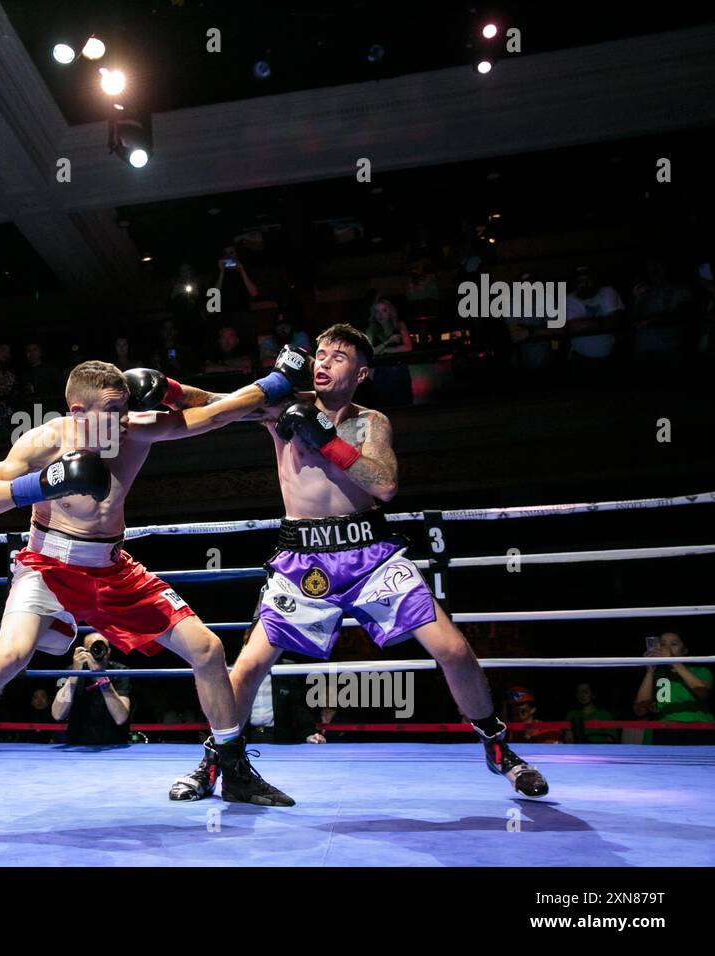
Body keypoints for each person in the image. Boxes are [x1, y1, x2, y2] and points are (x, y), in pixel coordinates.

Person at [0, 354, 313, 820]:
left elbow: (217, 412)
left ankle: (231, 767)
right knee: (11, 654)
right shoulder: (45, 442)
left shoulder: (136, 430)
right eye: (109, 412)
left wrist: (275, 383)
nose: (120, 420)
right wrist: (43, 483)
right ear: (76, 411)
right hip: (47, 565)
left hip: (112, 569)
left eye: (122, 409)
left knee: (208, 649)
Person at [165, 323, 550, 800]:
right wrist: (168, 389)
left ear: (361, 372)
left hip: (370, 554)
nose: (323, 362)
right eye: (320, 353)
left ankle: (498, 748)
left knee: (452, 649)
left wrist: (325, 439)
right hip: (303, 559)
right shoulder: (283, 405)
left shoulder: (371, 421)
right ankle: (213, 763)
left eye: (338, 357)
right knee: (247, 669)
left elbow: (384, 485)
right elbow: (215, 402)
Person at [633, 632, 713, 745]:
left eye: (673, 644)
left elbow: (703, 693)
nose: (666, 648)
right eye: (662, 644)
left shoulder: (700, 670)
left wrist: (674, 661)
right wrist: (650, 670)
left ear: (684, 651)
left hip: (698, 728)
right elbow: (640, 710)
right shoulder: (658, 675)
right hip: (666, 730)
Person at [52, 637, 131, 744]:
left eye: (101, 647)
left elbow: (120, 718)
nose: (97, 651)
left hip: (114, 745)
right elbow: (57, 714)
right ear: (84, 651)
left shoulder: (121, 672)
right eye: (94, 648)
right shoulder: (69, 672)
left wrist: (100, 677)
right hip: (78, 745)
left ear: (109, 651)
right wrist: (75, 674)